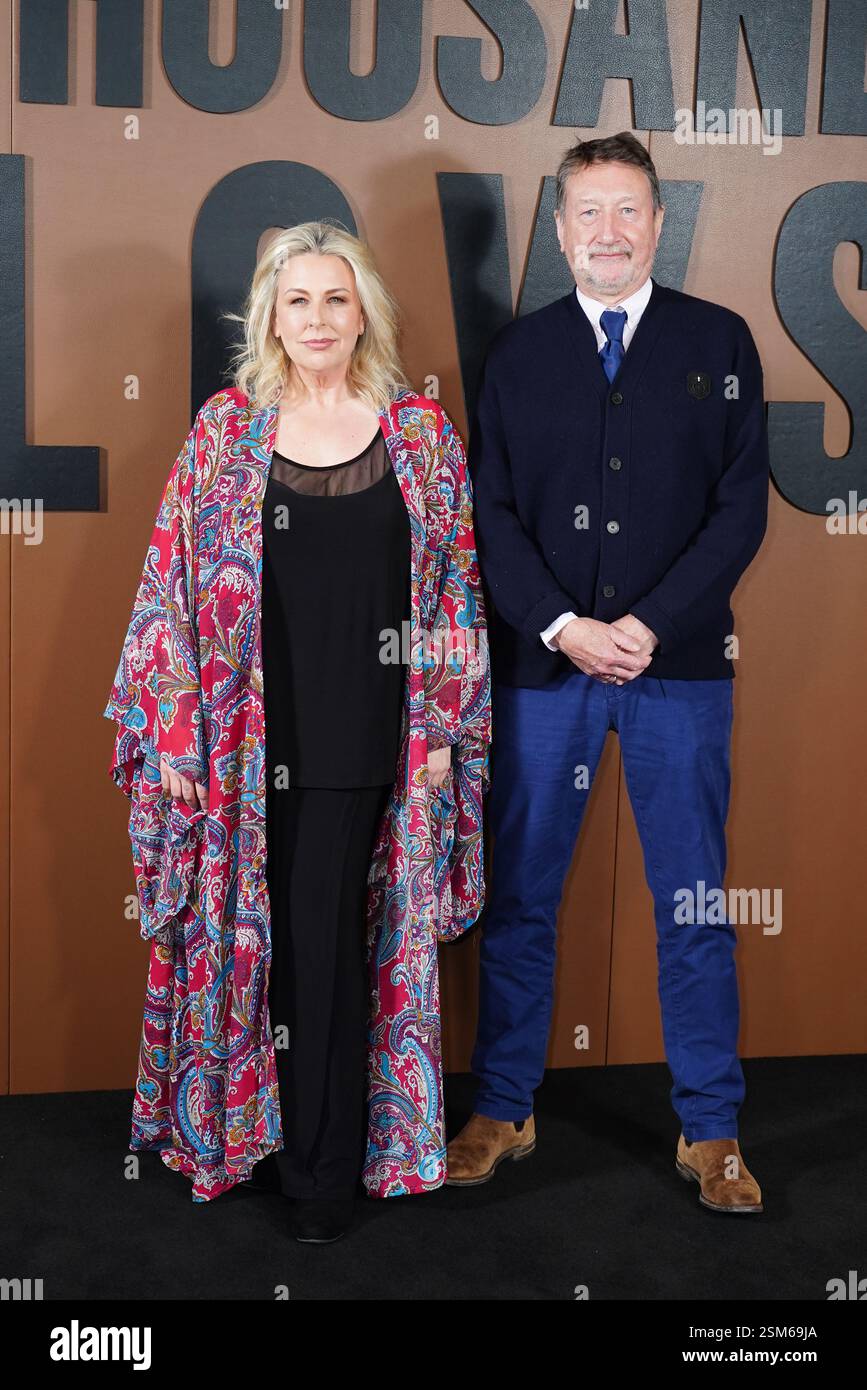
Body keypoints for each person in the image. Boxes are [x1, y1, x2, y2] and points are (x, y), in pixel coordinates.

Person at [103, 221, 491, 1243]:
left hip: (367, 742)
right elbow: (169, 590)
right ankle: (261, 1141)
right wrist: (178, 732)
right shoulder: (226, 432)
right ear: (270, 316)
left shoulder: (418, 434)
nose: (317, 319)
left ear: (365, 311)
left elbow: (453, 588)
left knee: (323, 948)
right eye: (298, 301)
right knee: (256, 952)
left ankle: (325, 1174)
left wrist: (444, 725)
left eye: (336, 299)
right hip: (240, 749)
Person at [449, 133, 769, 1215]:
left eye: (628, 210)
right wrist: (561, 625)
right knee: (522, 898)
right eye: (588, 212)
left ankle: (712, 1130)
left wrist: (645, 623)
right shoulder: (519, 355)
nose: (608, 232)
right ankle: (503, 1104)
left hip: (678, 670)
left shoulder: (719, 340)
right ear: (557, 225)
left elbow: (739, 511)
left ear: (659, 221)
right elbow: (487, 515)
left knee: (693, 905)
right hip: (547, 675)